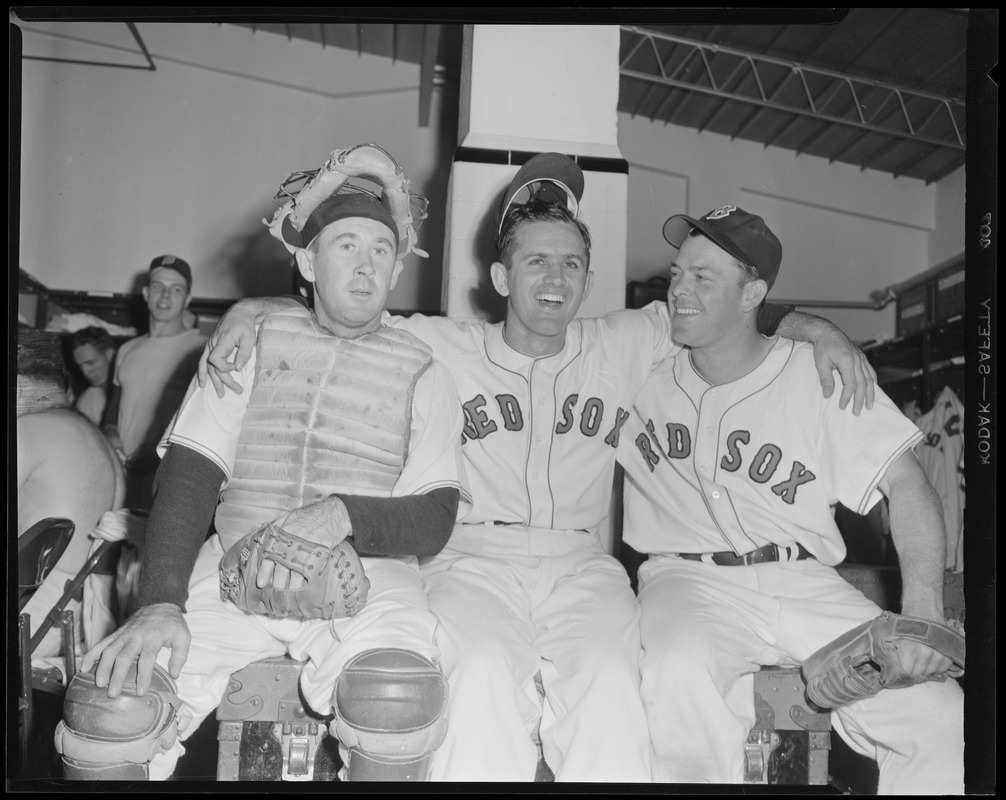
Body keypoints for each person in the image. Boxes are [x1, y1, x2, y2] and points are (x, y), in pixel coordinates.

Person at [202, 154, 876, 782]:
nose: (555, 279)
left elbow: (727, 309)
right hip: (470, 557)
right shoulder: (440, 343)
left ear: (588, 276)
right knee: (481, 676)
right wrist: (258, 308)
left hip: (581, 563)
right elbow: (342, 310)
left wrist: (814, 326)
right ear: (500, 278)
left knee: (613, 681)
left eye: (572, 264)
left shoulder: (625, 339)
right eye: (535, 263)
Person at [58, 145, 471, 782]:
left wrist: (341, 514)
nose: (365, 267)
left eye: (381, 251)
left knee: (397, 697)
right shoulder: (245, 344)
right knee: (110, 711)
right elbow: (191, 478)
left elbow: (436, 516)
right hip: (232, 566)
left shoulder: (425, 370)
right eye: (346, 246)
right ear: (306, 260)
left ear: (395, 271)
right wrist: (159, 603)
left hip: (367, 578)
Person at [618, 205, 964, 791]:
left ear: (752, 292)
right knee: (676, 678)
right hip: (686, 580)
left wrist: (924, 614)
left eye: (703, 277)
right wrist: (817, 322)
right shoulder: (638, 361)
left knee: (940, 713)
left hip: (802, 580)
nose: (679, 290)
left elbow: (908, 485)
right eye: (678, 273)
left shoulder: (820, 374)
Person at [16, 329, 126, 658]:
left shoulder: (28, 431)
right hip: (75, 621)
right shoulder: (99, 442)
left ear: (19, 383)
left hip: (29, 616)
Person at [103, 255, 207, 510]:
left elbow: (201, 418)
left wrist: (156, 451)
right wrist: (111, 433)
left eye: (176, 289)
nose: (165, 296)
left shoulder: (199, 348)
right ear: (147, 293)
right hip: (121, 473)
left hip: (166, 478)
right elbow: (114, 406)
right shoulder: (126, 349)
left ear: (187, 299)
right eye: (158, 287)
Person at [68, 326, 117, 426]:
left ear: (109, 354)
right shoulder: (88, 402)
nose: (85, 372)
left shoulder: (131, 389)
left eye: (90, 363)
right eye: (80, 366)